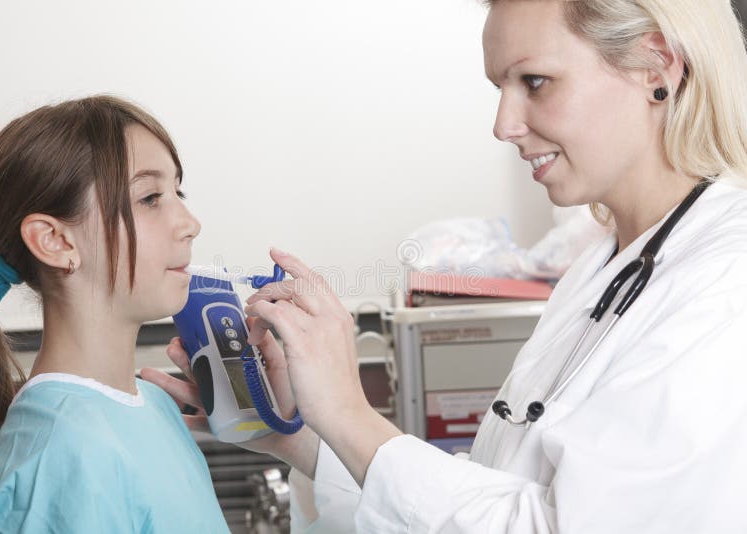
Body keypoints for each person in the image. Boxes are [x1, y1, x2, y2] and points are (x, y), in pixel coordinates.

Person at [144, 0, 747, 532]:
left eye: (535, 82)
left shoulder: (726, 284)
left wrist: (349, 415)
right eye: (501, 87)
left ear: (655, 68)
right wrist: (293, 433)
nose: (503, 125)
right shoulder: (602, 266)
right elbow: (488, 493)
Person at [0, 96, 230, 533]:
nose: (190, 223)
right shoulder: (63, 453)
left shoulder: (156, 406)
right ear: (55, 241)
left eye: (178, 192)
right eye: (150, 197)